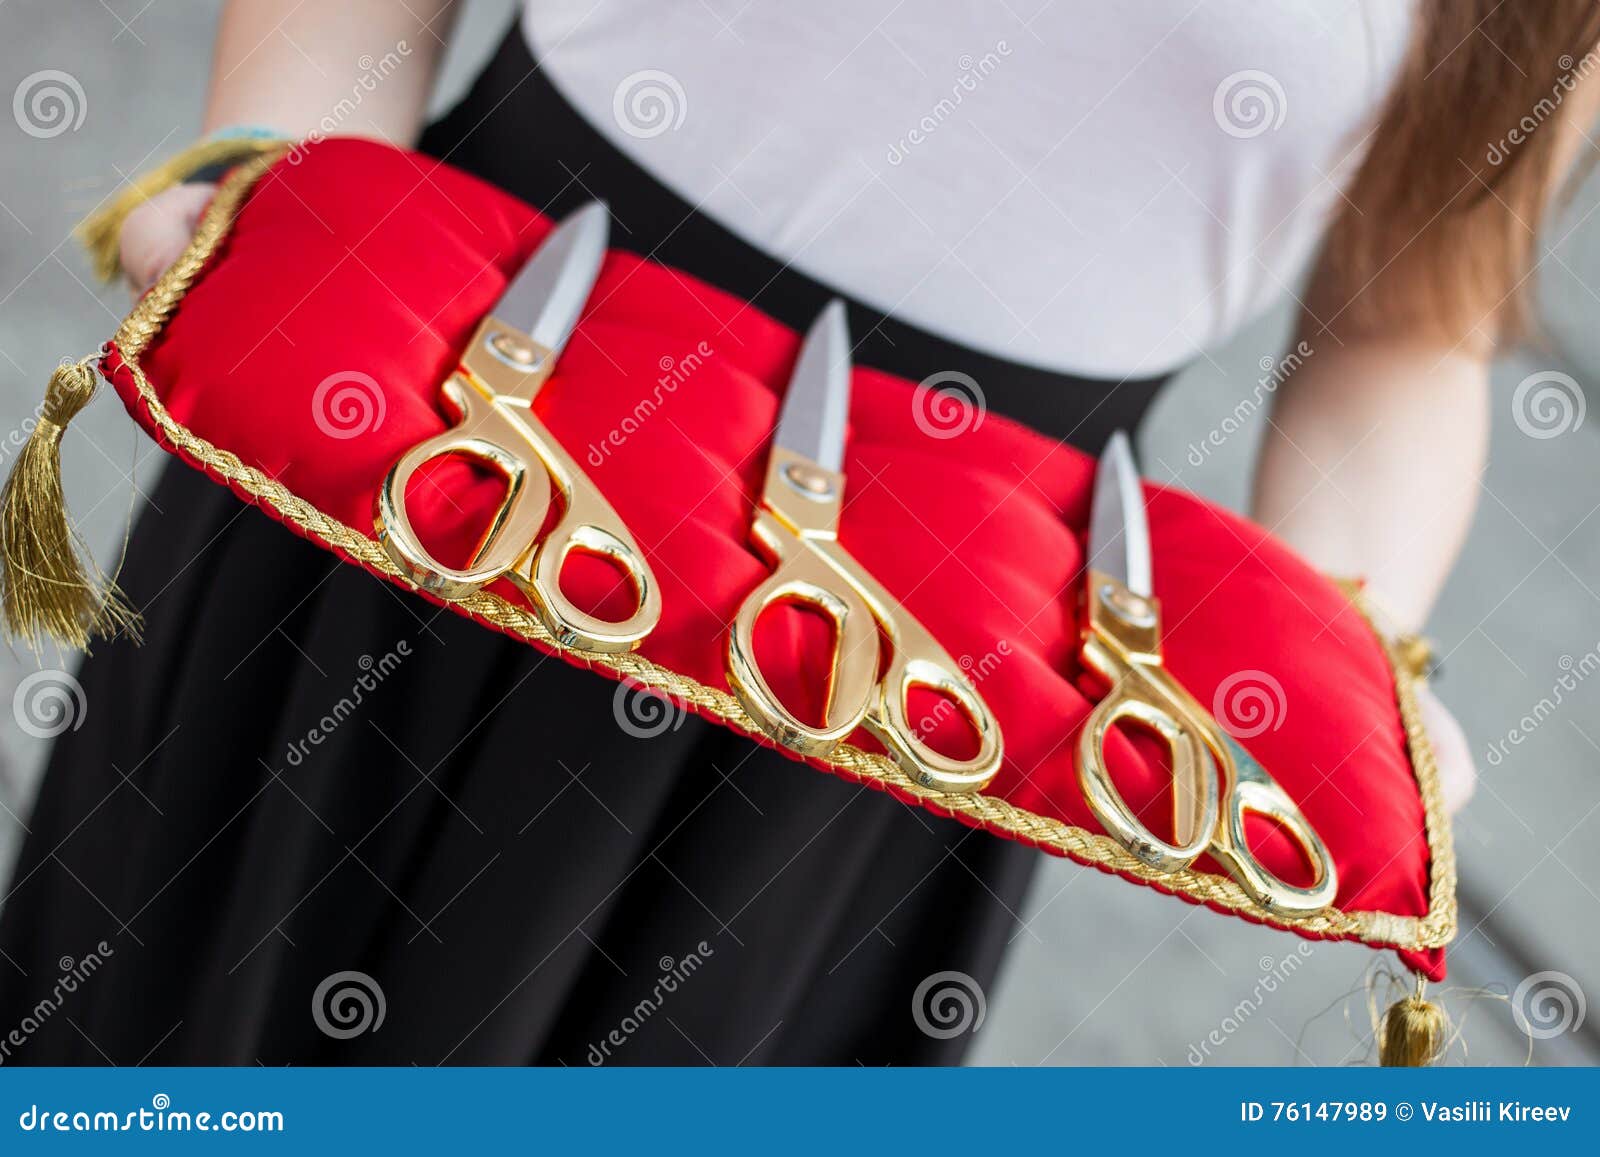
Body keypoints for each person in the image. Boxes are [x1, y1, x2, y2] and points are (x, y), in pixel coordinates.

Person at [2, 0, 1593, 1064]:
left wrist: (1331, 658)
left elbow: (1412, 319)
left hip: (921, 675)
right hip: (420, 422)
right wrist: (256, 180)